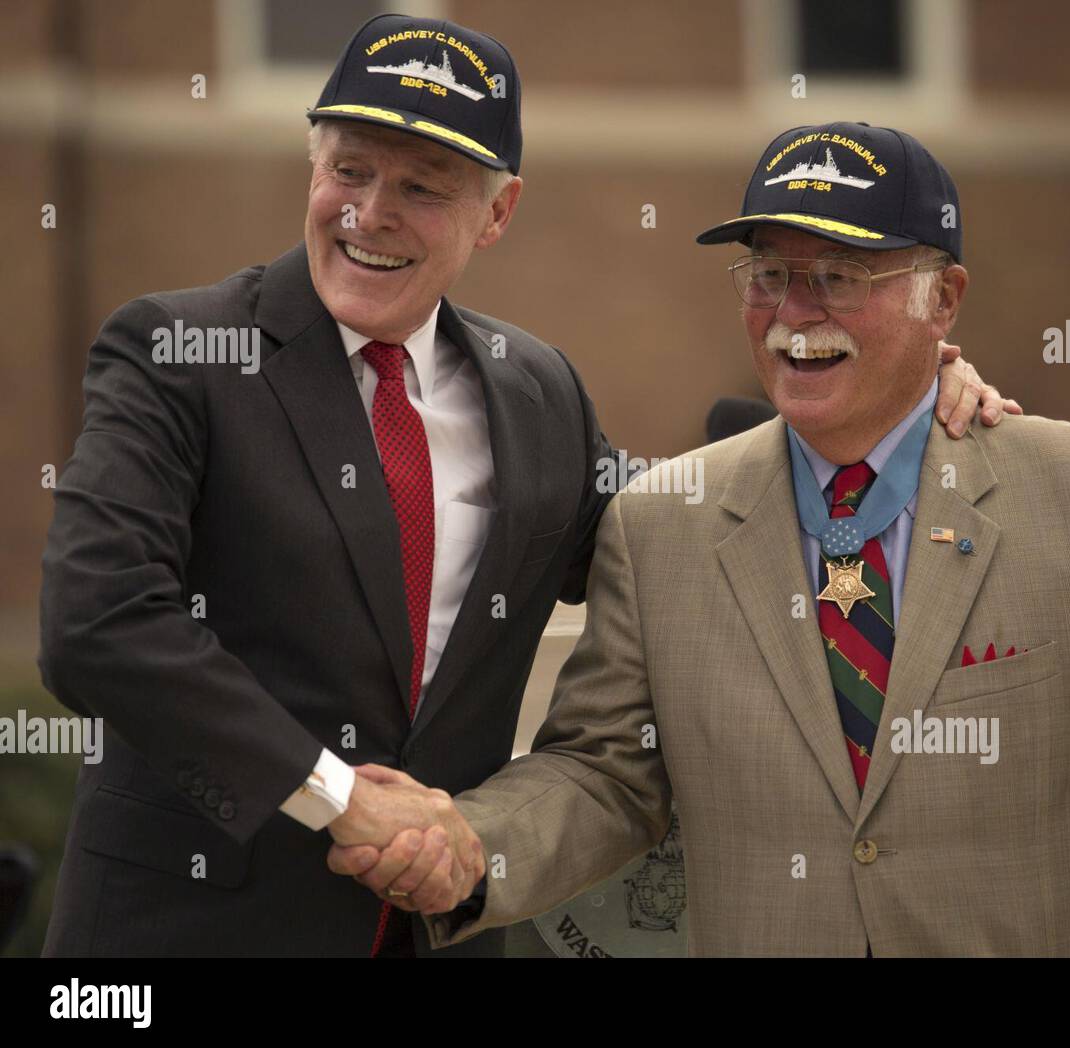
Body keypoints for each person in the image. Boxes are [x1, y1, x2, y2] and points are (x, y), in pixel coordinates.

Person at [36, 11, 1008, 959]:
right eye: (349, 170)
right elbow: (99, 622)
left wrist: (892, 400)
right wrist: (339, 793)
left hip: (439, 934)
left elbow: (682, 523)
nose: (370, 213)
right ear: (313, 164)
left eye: (423, 187)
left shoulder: (534, 391)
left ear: (496, 213)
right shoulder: (181, 355)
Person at [336, 121, 1070, 957]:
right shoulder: (661, 524)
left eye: (840, 278)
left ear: (943, 301)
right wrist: (466, 842)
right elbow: (607, 775)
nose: (795, 313)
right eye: (771, 276)